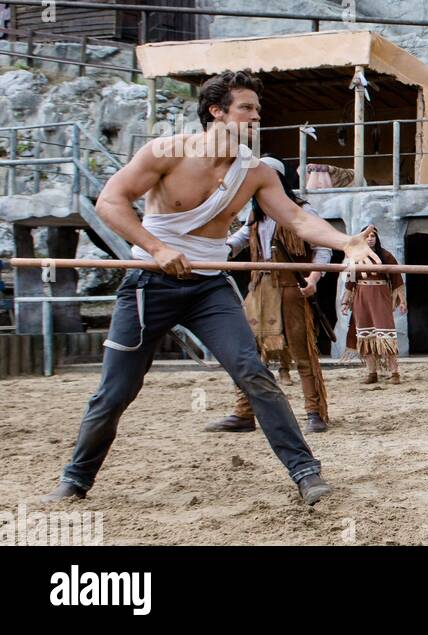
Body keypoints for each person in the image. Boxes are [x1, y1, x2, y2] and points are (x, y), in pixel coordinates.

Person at [44, 71, 378, 506]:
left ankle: (305, 472)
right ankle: (75, 479)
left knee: (253, 372)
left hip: (208, 288)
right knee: (116, 390)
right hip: (149, 283)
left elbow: (297, 219)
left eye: (258, 109)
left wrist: (346, 241)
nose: (256, 116)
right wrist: (156, 247)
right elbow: (110, 201)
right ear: (216, 112)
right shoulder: (166, 153)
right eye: (246, 108)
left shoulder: (254, 173)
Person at [206, 156, 334, 434]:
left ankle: (314, 412)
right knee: (246, 353)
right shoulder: (256, 213)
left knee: (302, 351)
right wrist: (220, 250)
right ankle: (244, 412)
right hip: (260, 288)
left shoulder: (301, 210)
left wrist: (313, 278)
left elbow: (323, 247)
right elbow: (240, 239)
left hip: (291, 288)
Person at [342, 226, 406, 384]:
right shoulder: (355, 256)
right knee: (366, 336)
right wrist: (345, 301)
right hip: (361, 297)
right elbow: (350, 280)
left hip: (380, 295)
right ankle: (372, 373)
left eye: (373, 236)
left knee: (386, 335)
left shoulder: (386, 255)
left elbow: (397, 278)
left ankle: (394, 372)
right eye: (367, 236)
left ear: (377, 239)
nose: (370, 238)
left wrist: (402, 300)